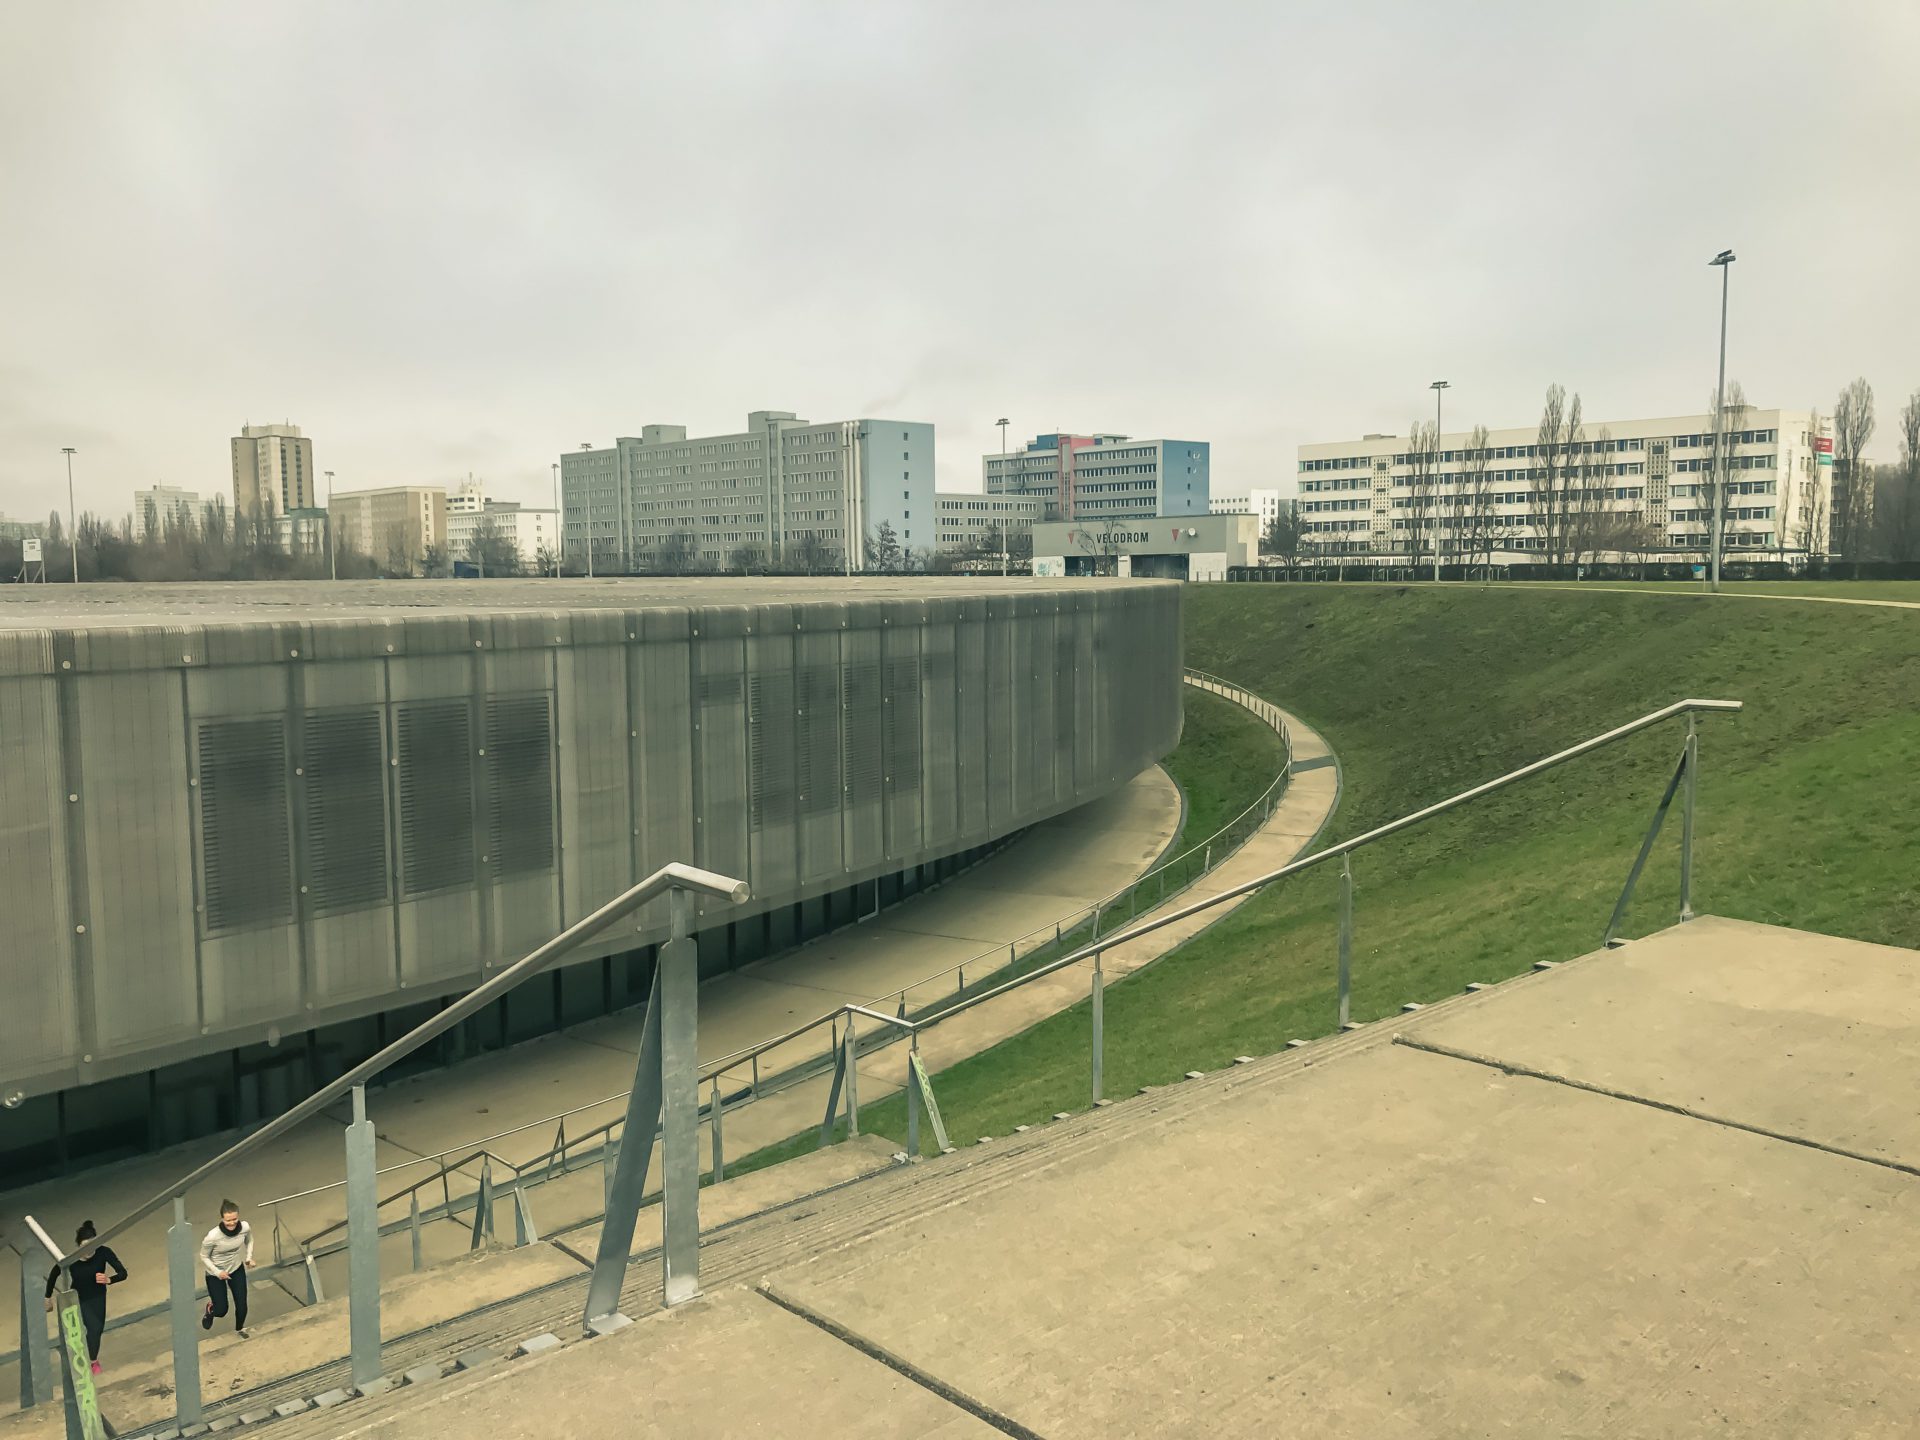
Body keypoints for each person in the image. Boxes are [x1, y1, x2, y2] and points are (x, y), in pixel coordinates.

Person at [43, 1220, 128, 1375]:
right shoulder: (72, 1259)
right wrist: (47, 1298)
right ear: (78, 1246)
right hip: (78, 1297)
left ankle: (92, 1359)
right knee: (86, 1329)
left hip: (98, 1296)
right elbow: (54, 1274)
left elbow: (123, 1273)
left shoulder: (103, 1252)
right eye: (85, 1248)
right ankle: (85, 1360)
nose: (89, 1251)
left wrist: (109, 1279)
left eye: (92, 1246)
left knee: (96, 1330)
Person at [199, 1200, 254, 1337]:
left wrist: (248, 1257)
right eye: (228, 1220)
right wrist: (218, 1272)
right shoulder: (213, 1236)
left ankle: (239, 1329)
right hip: (215, 1273)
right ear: (222, 1218)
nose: (232, 1223)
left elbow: (250, 1240)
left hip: (236, 1268)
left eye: (235, 1219)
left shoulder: (245, 1227)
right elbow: (203, 1256)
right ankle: (211, 1309)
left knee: (242, 1305)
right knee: (222, 1310)